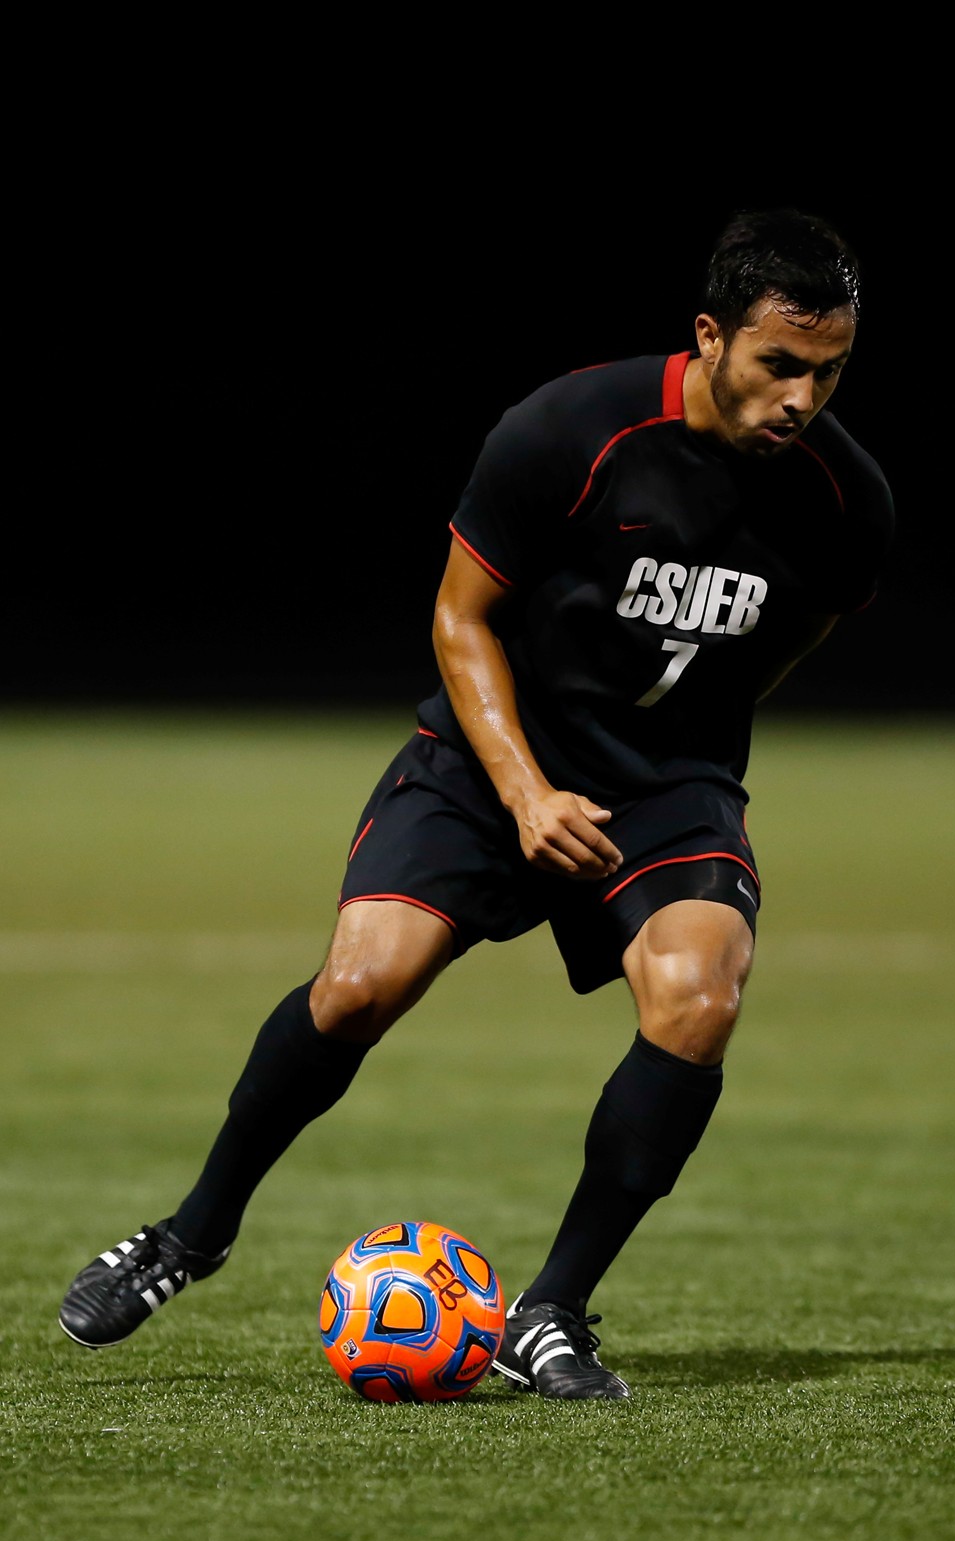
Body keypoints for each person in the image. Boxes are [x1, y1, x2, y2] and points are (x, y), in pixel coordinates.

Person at [58, 206, 894, 1401]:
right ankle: (189, 1234)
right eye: (779, 364)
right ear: (709, 336)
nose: (803, 397)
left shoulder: (845, 501)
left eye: (831, 370)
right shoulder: (572, 429)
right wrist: (526, 786)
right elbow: (459, 619)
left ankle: (548, 1312)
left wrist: (682, 747)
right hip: (487, 761)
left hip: (664, 788)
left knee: (700, 995)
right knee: (361, 983)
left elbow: (792, 637)